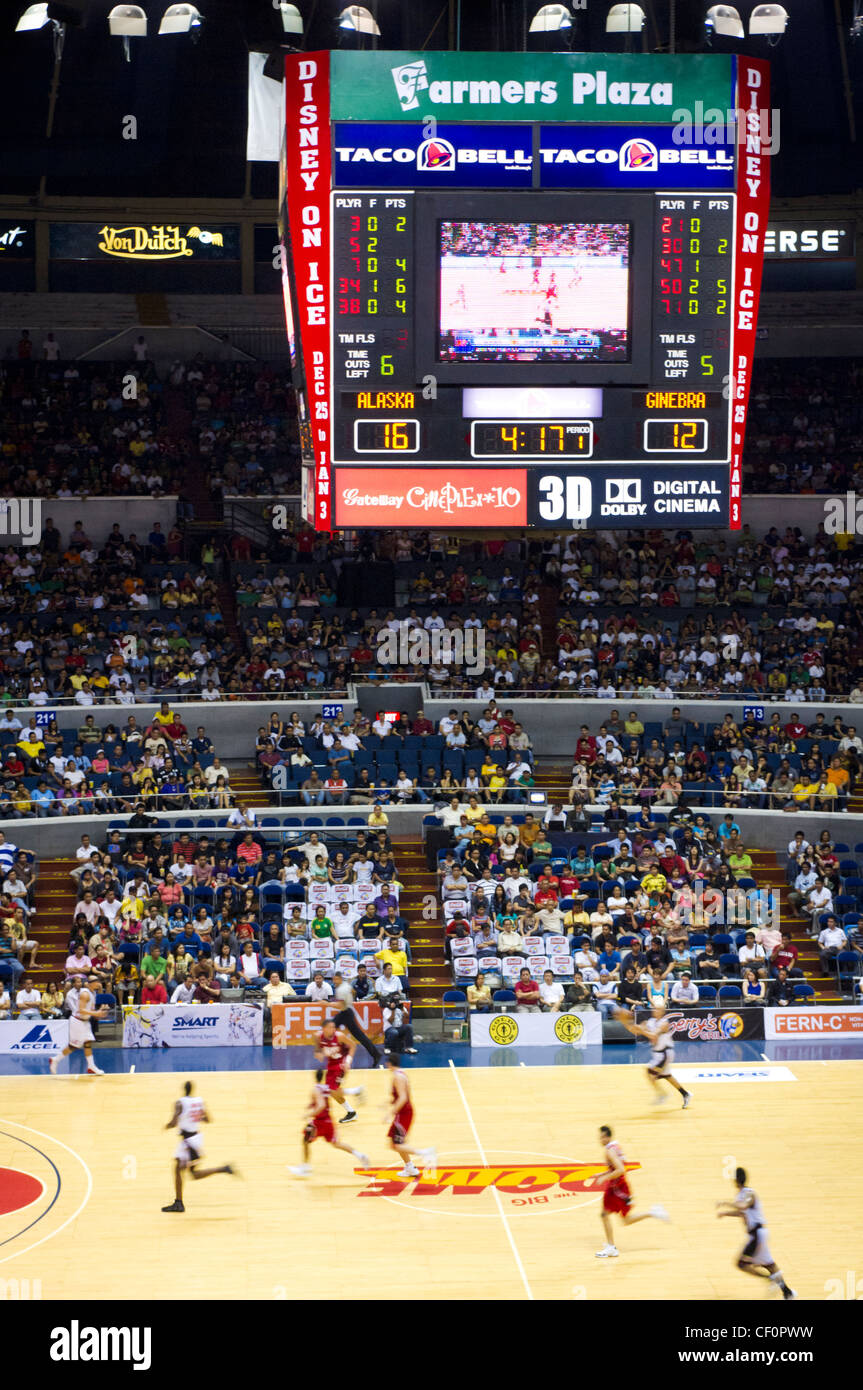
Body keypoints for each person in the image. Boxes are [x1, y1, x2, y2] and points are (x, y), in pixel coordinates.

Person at [716, 1166, 796, 1300]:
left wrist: (725, 1203)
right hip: (759, 1233)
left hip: (757, 1234)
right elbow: (741, 1212)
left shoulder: (749, 1193)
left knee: (741, 1264)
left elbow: (743, 1206)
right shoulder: (741, 1195)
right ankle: (788, 1293)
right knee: (769, 1264)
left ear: (736, 1180)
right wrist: (725, 1213)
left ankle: (770, 1280)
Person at [595, 1124, 670, 1259]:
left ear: (607, 1137)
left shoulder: (609, 1151)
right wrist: (601, 1174)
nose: (599, 1140)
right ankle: (652, 1213)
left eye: (601, 1137)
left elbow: (620, 1170)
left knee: (613, 1217)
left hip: (618, 1189)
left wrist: (605, 1177)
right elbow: (617, 1167)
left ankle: (611, 1247)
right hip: (618, 1187)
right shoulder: (615, 1147)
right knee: (615, 1218)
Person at [161, 1080, 236, 1213]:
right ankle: (223, 1169)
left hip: (187, 1141)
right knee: (192, 1173)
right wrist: (194, 1116)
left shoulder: (180, 1103)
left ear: (184, 1089)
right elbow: (208, 1119)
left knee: (179, 1170)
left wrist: (167, 1126)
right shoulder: (199, 1102)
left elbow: (173, 1123)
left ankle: (178, 1203)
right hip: (196, 1138)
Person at [288, 1070, 370, 1178]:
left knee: (305, 1141)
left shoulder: (315, 1089)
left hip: (318, 1122)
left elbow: (321, 1105)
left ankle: (305, 1167)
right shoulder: (326, 1088)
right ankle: (360, 1155)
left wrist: (309, 1114)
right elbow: (328, 1098)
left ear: (314, 1077)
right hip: (328, 1121)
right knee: (336, 1144)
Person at [615, 1002, 692, 1109]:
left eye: (657, 1009)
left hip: (665, 1053)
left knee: (650, 1072)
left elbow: (654, 1037)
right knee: (667, 1076)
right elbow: (634, 1030)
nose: (655, 1011)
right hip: (658, 1054)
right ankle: (685, 1094)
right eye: (654, 1009)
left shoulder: (664, 1023)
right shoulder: (650, 1022)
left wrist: (642, 1030)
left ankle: (662, 1094)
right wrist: (624, 1021)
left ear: (662, 1012)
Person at [384, 1053, 436, 1180]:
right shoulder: (402, 1073)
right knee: (397, 1142)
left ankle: (425, 1153)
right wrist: (389, 1103)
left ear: (389, 1063)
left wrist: (391, 1113)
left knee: (395, 1145)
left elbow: (403, 1098)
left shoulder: (397, 1077)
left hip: (403, 1114)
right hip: (404, 1112)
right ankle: (410, 1167)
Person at [49, 975, 108, 1076]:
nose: (99, 983)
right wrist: (96, 1014)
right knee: (73, 1046)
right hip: (78, 1021)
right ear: (90, 983)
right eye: (96, 981)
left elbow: (90, 1010)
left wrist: (100, 1013)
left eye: (99, 981)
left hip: (84, 1022)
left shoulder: (93, 993)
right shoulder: (85, 994)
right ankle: (55, 1060)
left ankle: (91, 1066)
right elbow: (81, 1010)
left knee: (87, 1043)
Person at [315, 1018, 364, 1122]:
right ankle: (351, 1112)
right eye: (330, 1027)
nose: (333, 1029)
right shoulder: (318, 1036)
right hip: (331, 1065)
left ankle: (356, 1091)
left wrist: (348, 1061)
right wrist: (318, 1053)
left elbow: (353, 1045)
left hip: (341, 1065)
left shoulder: (339, 1036)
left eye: (334, 1027)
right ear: (324, 1029)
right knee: (331, 1092)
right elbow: (317, 1049)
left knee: (332, 1090)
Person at [332, 971, 384, 1068]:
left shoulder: (341, 990)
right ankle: (339, 1052)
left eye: (335, 979)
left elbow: (340, 1005)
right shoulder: (345, 985)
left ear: (339, 978)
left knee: (359, 1036)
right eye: (333, 979)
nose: (333, 981)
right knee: (331, 1029)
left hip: (346, 1013)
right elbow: (353, 992)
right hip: (346, 1011)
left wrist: (326, 1003)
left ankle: (375, 1054)